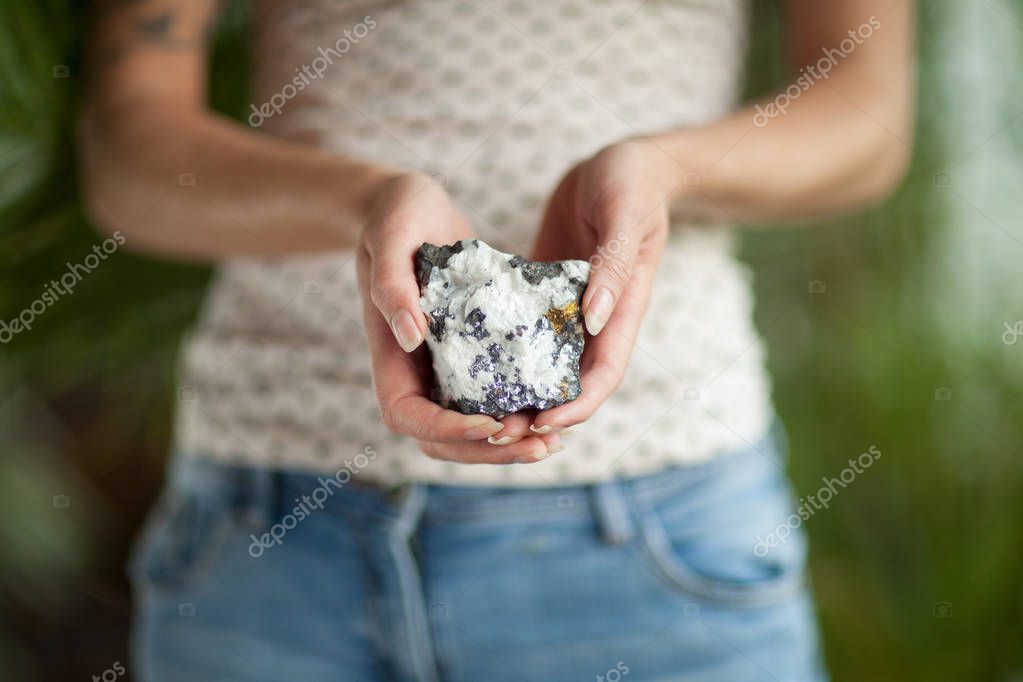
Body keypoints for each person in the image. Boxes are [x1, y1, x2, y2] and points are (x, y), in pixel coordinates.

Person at [81, 0, 914, 680]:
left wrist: (664, 170)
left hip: (660, 520)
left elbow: (865, 117)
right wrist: (363, 202)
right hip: (269, 531)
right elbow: (128, 155)